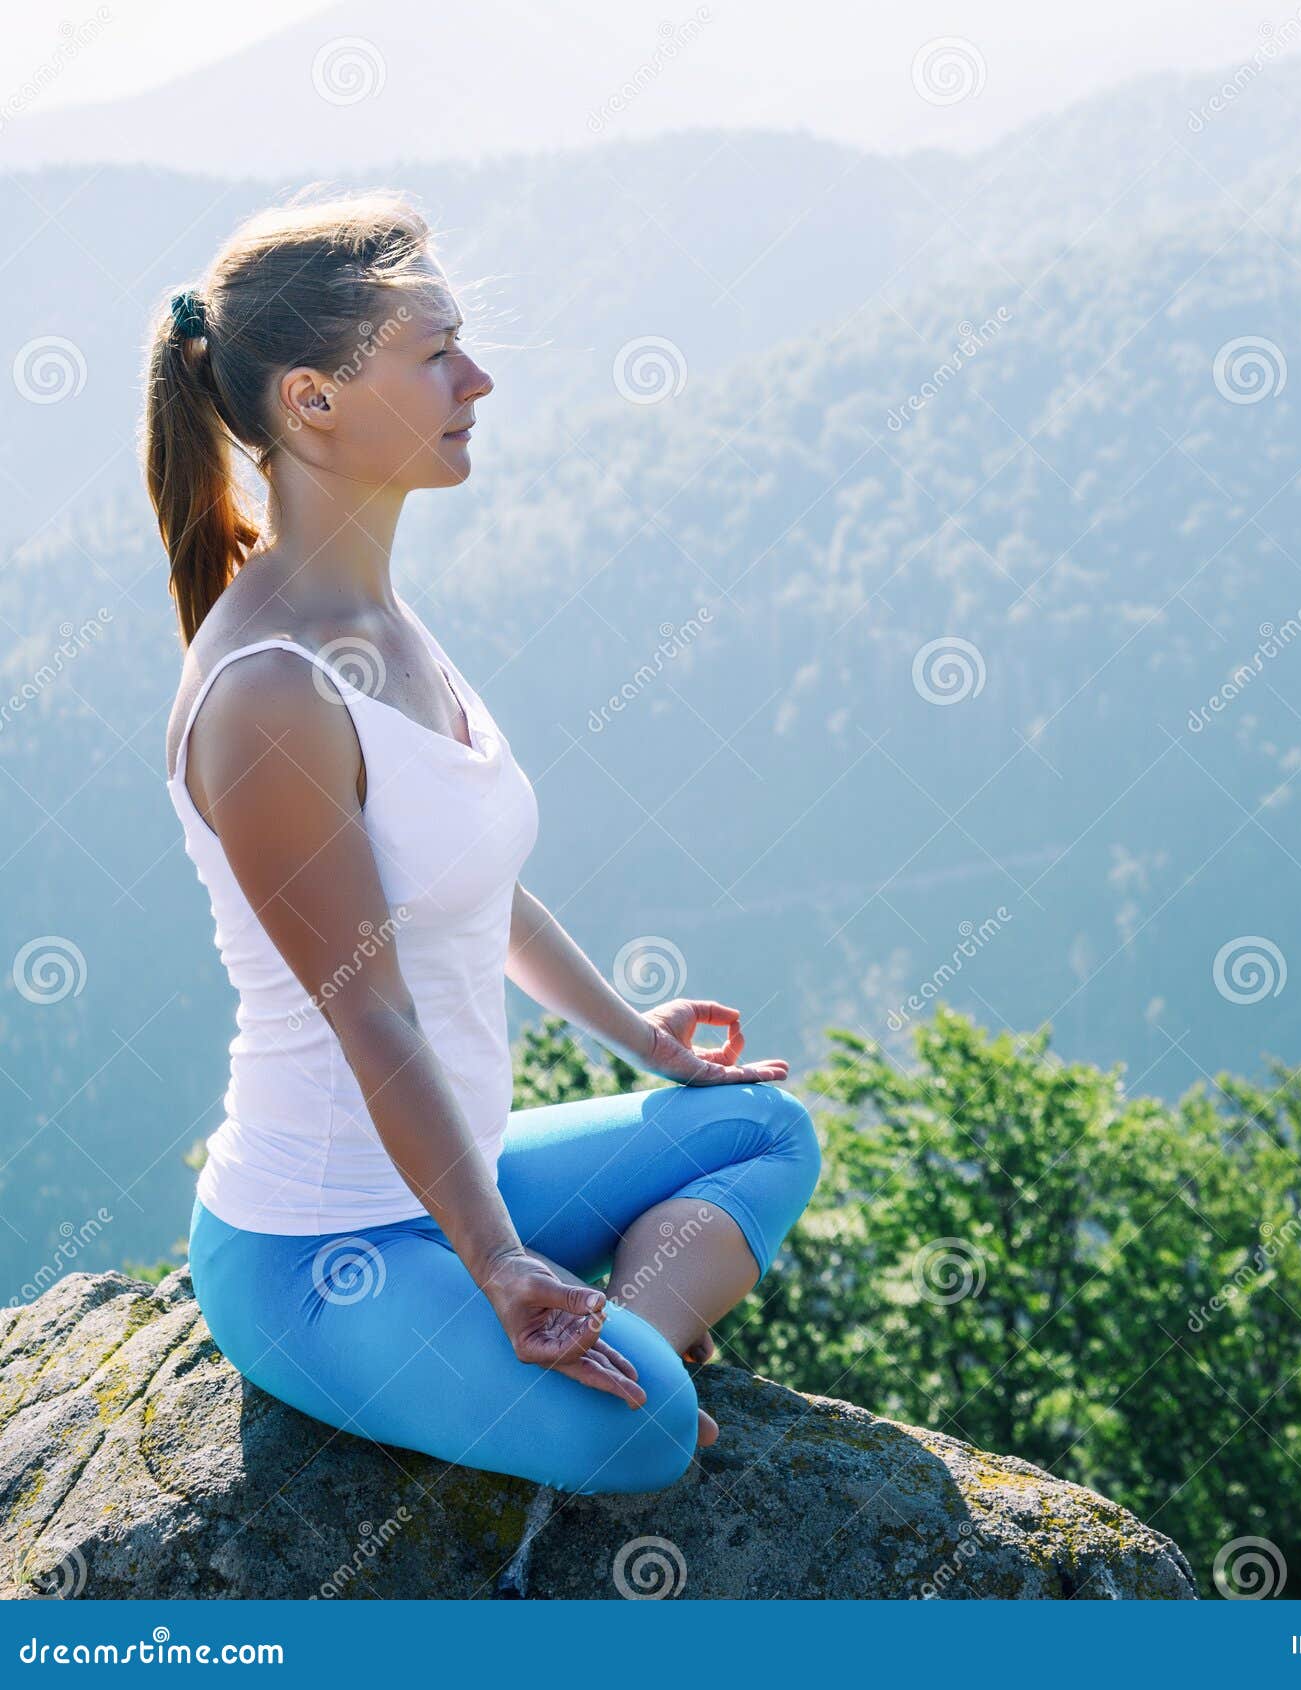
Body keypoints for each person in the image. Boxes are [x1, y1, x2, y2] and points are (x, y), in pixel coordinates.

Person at [143, 188, 822, 1496]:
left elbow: (474, 880)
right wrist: (500, 1260)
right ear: (311, 401)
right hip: (323, 1249)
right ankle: (619, 1354)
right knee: (645, 1431)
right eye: (435, 353)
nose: (478, 380)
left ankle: (617, 1335)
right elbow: (368, 1008)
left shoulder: (379, 620)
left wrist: (642, 1040)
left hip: (461, 1173)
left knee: (764, 1126)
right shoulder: (271, 693)